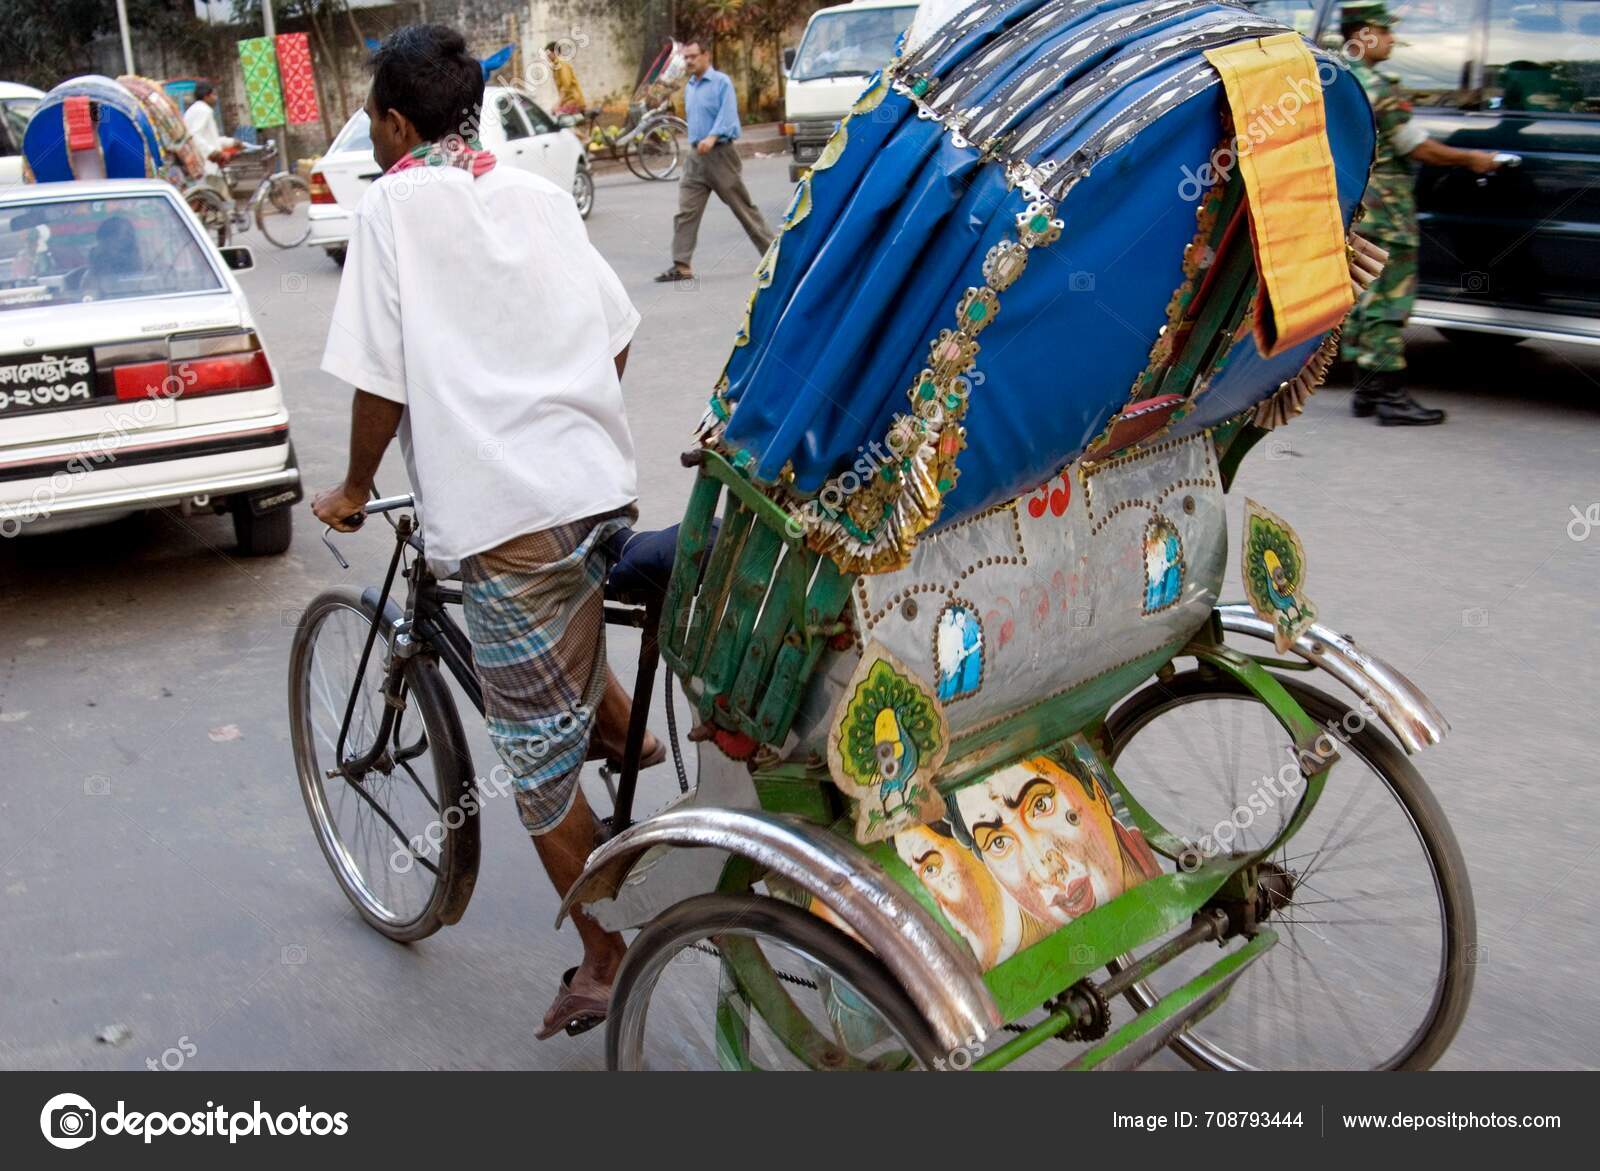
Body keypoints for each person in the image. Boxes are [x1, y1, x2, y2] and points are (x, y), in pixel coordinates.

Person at [310, 24, 661, 1041]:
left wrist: (352, 485)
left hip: (509, 529)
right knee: (569, 669)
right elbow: (619, 331)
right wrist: (560, 427)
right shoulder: (539, 194)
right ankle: (644, 771)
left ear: (392, 121)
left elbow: (379, 375)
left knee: (537, 777)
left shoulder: (393, 208)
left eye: (371, 125)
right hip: (595, 497)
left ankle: (606, 953)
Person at [1338, 2, 1502, 425]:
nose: (1393, 39)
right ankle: (1390, 398)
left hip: (1352, 205)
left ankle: (1367, 393)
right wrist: (1472, 160)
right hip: (1387, 210)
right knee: (1389, 301)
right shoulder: (1380, 88)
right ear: (1363, 34)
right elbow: (1419, 148)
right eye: (1386, 31)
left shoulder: (1337, 79)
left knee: (1363, 294)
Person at [654, 40, 773, 283]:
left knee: (743, 208)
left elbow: (728, 116)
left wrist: (712, 136)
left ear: (706, 55)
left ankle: (774, 256)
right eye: (685, 57)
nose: (688, 61)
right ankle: (681, 264)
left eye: (693, 56)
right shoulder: (691, 86)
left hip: (720, 154)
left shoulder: (721, 83)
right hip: (696, 156)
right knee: (687, 210)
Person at [182, 80, 236, 202]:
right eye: (214, 95)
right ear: (207, 96)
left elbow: (210, 138)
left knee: (218, 199)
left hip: (202, 163)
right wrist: (213, 153)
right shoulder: (204, 110)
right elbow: (194, 136)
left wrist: (232, 142)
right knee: (224, 201)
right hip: (207, 165)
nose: (215, 98)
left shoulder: (194, 109)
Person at [546, 41, 586, 115]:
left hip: (574, 101)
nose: (547, 57)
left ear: (555, 52)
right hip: (568, 102)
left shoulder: (562, 65)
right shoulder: (556, 66)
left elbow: (566, 87)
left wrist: (558, 104)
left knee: (556, 115)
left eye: (548, 54)